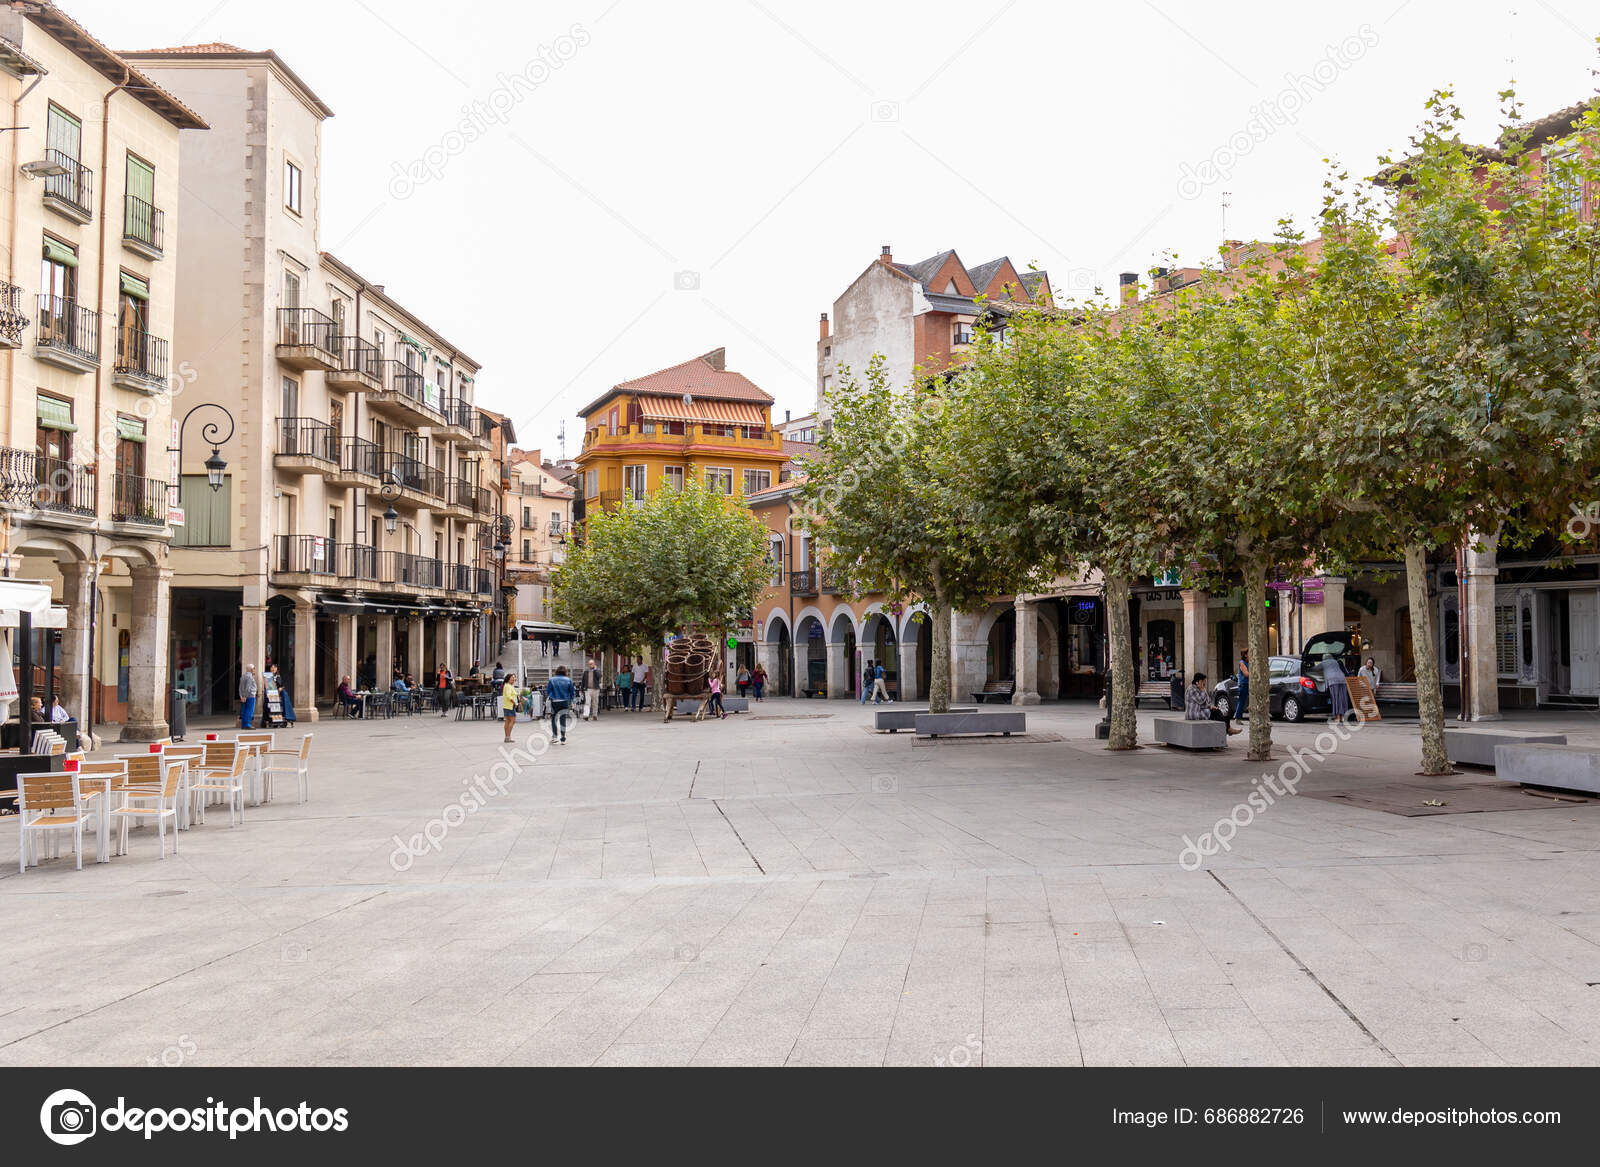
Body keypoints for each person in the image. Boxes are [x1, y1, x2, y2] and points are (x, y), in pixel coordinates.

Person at [1185, 672, 1241, 737]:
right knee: (1218, 715)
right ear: (1198, 681)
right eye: (1203, 681)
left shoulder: (1199, 688)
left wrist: (1210, 706)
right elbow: (1200, 701)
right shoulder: (1191, 689)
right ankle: (1227, 731)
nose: (1204, 683)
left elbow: (1207, 701)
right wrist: (1203, 690)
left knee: (1221, 715)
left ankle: (1226, 731)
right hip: (1194, 714)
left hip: (1200, 711)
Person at [545, 665, 575, 743]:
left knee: (554, 719)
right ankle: (563, 738)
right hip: (565, 702)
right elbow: (572, 692)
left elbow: (548, 691)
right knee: (563, 719)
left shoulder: (552, 679)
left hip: (555, 702)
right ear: (565, 672)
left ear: (557, 671)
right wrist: (573, 701)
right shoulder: (568, 680)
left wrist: (552, 696)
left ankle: (555, 737)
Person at [1323, 653, 1352, 722]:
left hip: (1333, 682)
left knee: (1336, 698)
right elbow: (1346, 672)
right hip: (1343, 680)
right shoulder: (1338, 662)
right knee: (1343, 698)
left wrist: (1326, 687)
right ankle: (1343, 717)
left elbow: (1322, 673)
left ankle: (1338, 717)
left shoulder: (1325, 664)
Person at [500, 670, 520, 743]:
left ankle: (507, 737)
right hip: (510, 706)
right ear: (508, 679)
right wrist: (515, 703)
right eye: (512, 678)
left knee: (508, 721)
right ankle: (508, 737)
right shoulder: (508, 686)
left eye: (514, 678)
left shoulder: (508, 685)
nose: (514, 679)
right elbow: (508, 696)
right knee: (512, 721)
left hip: (507, 705)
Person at [239, 664, 258, 729]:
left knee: (244, 710)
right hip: (250, 696)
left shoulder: (243, 676)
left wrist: (241, 696)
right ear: (251, 669)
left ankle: (244, 724)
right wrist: (245, 696)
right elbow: (248, 687)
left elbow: (240, 687)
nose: (254, 670)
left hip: (245, 696)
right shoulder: (250, 677)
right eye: (254, 669)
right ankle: (247, 724)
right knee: (249, 710)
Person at [1234, 649, 1250, 721]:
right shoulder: (1242, 663)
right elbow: (1246, 674)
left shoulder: (1249, 663)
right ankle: (1237, 718)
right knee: (1241, 701)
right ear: (1245, 655)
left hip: (1248, 684)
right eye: (1250, 653)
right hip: (1243, 684)